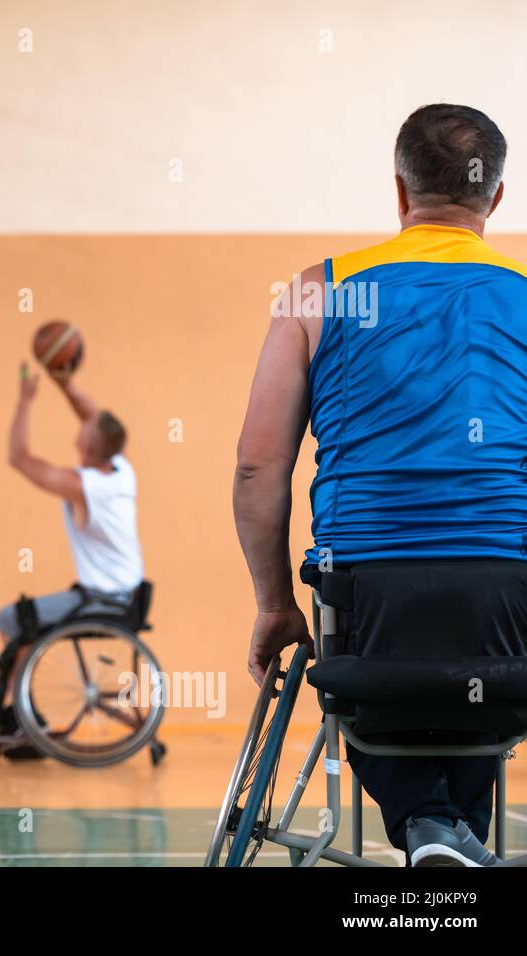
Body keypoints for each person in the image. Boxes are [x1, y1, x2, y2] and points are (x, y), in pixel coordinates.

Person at [234, 104, 527, 866]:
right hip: (507, 587)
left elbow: (258, 466)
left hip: (365, 586)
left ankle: (429, 826)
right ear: (495, 198)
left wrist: (272, 604)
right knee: (482, 680)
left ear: (399, 192)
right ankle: (447, 835)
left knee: (372, 677)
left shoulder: (317, 291)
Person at [0, 361, 144, 740]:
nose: (78, 428)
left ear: (90, 444)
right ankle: (21, 715)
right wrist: (65, 384)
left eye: (84, 430)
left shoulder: (83, 486)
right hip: (124, 595)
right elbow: (93, 415)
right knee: (25, 626)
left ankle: (24, 720)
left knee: (10, 618)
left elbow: (19, 459)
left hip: (102, 599)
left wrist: (26, 401)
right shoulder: (120, 469)